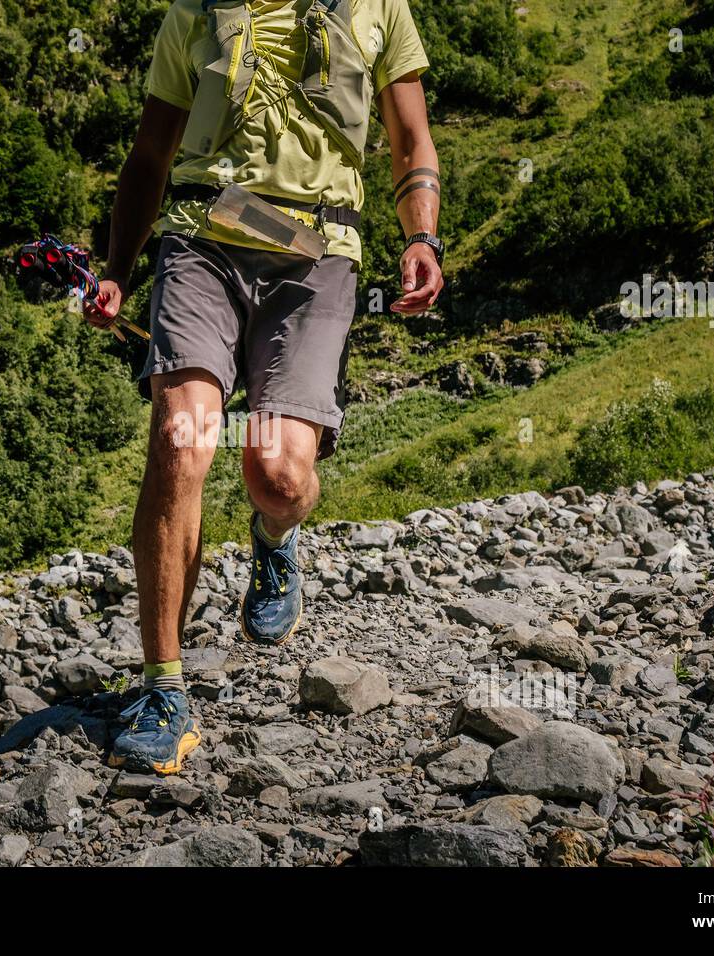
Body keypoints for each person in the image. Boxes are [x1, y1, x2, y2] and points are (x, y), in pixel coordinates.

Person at [84, 0, 443, 774]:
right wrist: (115, 270)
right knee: (183, 442)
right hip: (200, 237)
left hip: (318, 250)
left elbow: (412, 138)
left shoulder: (382, 7)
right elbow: (150, 155)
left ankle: (275, 539)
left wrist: (421, 235)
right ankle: (163, 691)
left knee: (277, 476)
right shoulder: (195, 10)